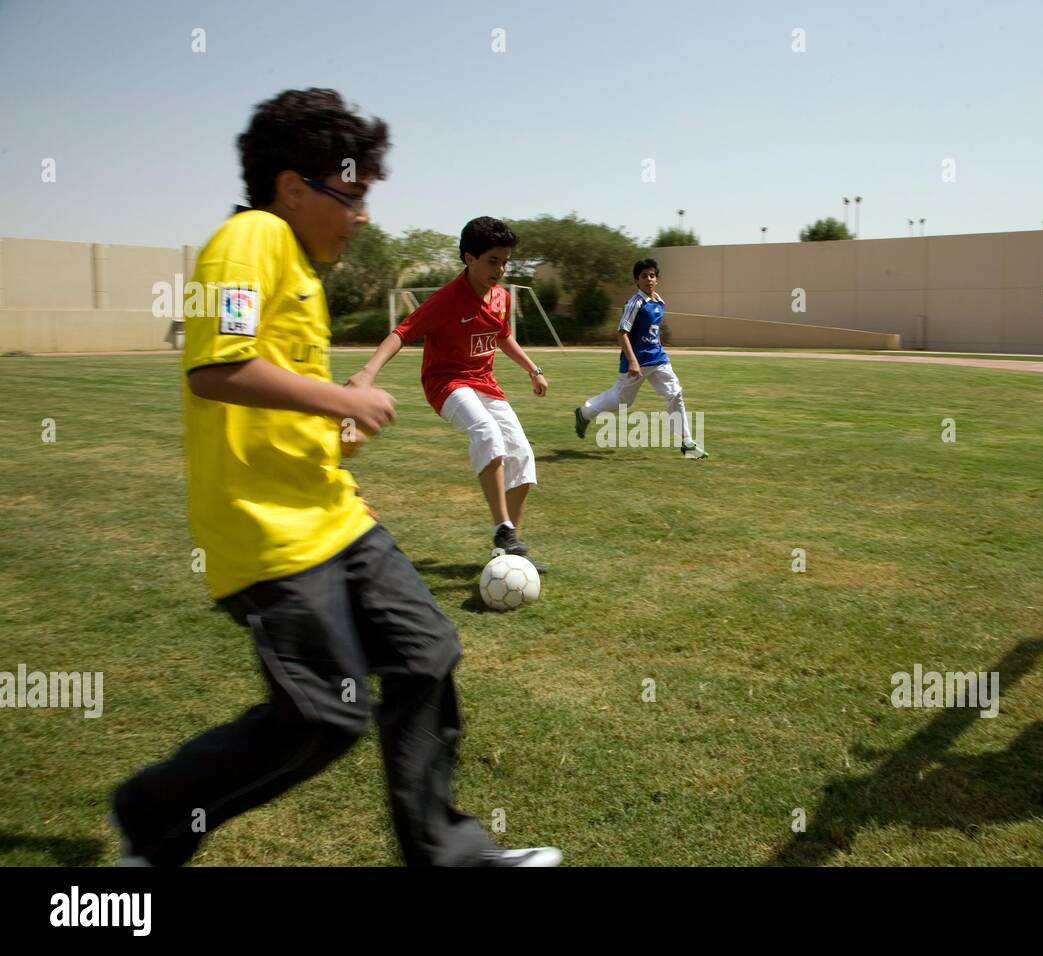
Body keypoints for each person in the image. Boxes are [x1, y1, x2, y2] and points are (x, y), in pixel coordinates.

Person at [111, 88, 560, 866]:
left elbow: (275, 393)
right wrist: (341, 396)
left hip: (337, 516)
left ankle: (449, 855)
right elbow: (215, 368)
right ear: (293, 186)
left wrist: (336, 424)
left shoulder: (301, 275)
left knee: (426, 653)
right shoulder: (245, 239)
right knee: (322, 717)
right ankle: (152, 813)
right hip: (267, 533)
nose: (362, 216)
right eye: (350, 196)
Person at [349, 217, 549, 568]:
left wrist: (533, 369)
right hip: (447, 384)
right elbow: (401, 333)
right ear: (469, 259)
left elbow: (502, 336)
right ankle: (502, 527)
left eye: (505, 261)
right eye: (492, 261)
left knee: (523, 456)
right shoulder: (446, 300)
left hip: (484, 384)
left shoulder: (501, 297)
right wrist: (368, 372)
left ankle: (509, 549)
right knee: (487, 434)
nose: (500, 269)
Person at [573, 258, 708, 459]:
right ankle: (584, 413)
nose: (649, 279)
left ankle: (687, 443)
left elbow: (651, 332)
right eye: (644, 276)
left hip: (658, 360)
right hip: (637, 363)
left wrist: (658, 346)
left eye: (652, 275)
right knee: (622, 402)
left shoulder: (659, 302)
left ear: (658, 279)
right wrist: (633, 361)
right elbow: (622, 333)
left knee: (675, 393)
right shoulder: (635, 303)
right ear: (637, 280)